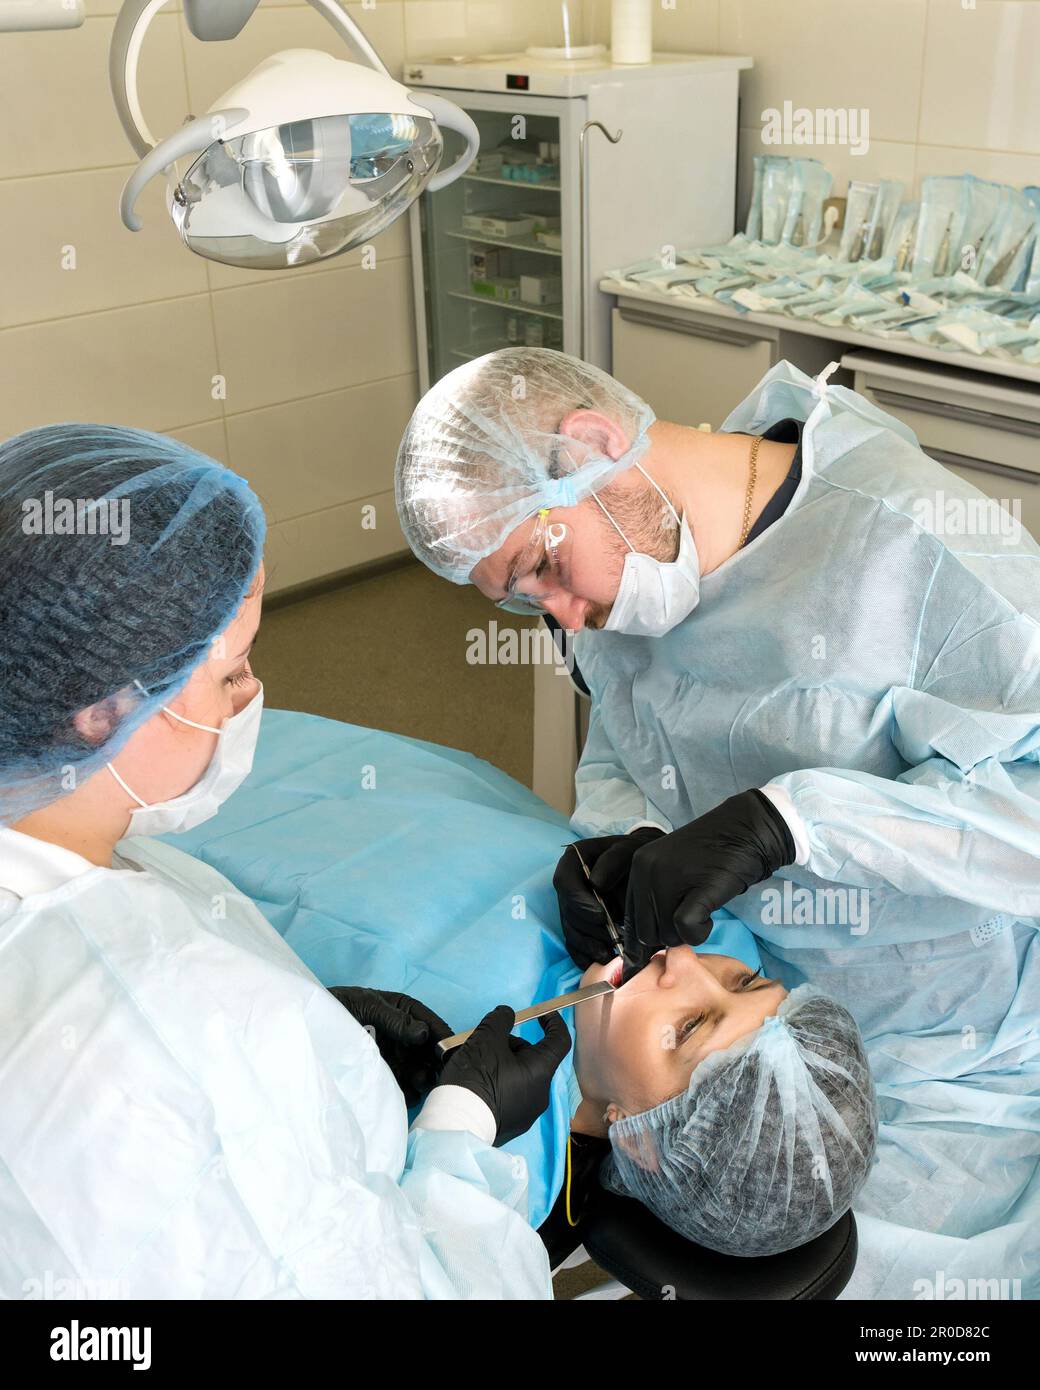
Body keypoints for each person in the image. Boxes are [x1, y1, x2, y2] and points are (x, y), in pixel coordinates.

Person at [395, 348, 1040, 1288]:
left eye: (546, 565)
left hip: (959, 1040)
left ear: (594, 445)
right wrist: (627, 837)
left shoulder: (925, 559)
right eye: (523, 597)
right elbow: (633, 726)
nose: (566, 616)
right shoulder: (631, 556)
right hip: (763, 993)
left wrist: (792, 822)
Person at [0, 423, 569, 1300]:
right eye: (229, 672)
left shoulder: (71, 851)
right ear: (95, 711)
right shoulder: (160, 1035)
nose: (254, 697)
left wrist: (326, 1056)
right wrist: (459, 1135)